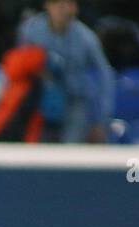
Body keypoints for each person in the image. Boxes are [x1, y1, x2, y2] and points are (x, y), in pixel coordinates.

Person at [17, 0, 115, 143]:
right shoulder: (31, 30)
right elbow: (18, 67)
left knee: (70, 151)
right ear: (48, 5)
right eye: (59, 5)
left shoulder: (86, 37)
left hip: (74, 102)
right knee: (36, 153)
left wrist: (101, 121)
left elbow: (105, 75)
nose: (65, 10)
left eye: (70, 4)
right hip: (39, 102)